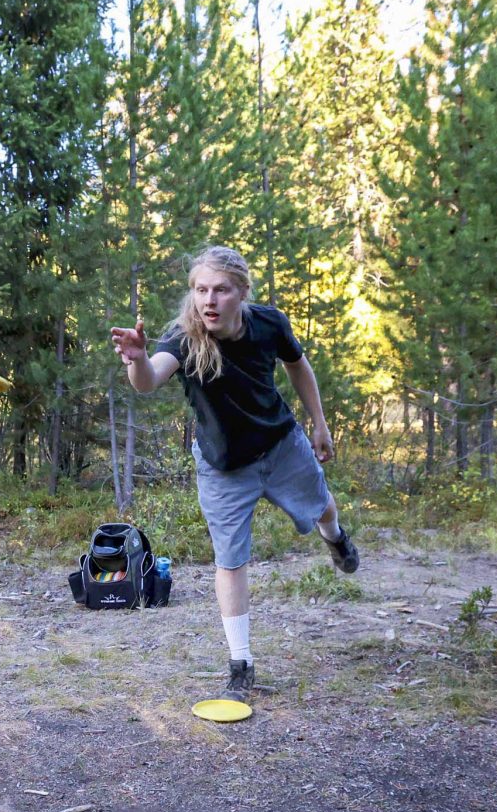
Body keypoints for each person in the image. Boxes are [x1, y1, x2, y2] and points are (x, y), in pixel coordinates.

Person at [110, 245, 357, 702]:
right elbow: (148, 381)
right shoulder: (183, 338)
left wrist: (319, 423)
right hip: (224, 468)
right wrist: (138, 359)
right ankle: (240, 662)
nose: (210, 300)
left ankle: (336, 538)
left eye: (221, 290)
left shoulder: (268, 324)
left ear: (241, 292)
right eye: (201, 290)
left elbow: (298, 366)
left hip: (281, 445)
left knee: (322, 505)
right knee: (230, 559)